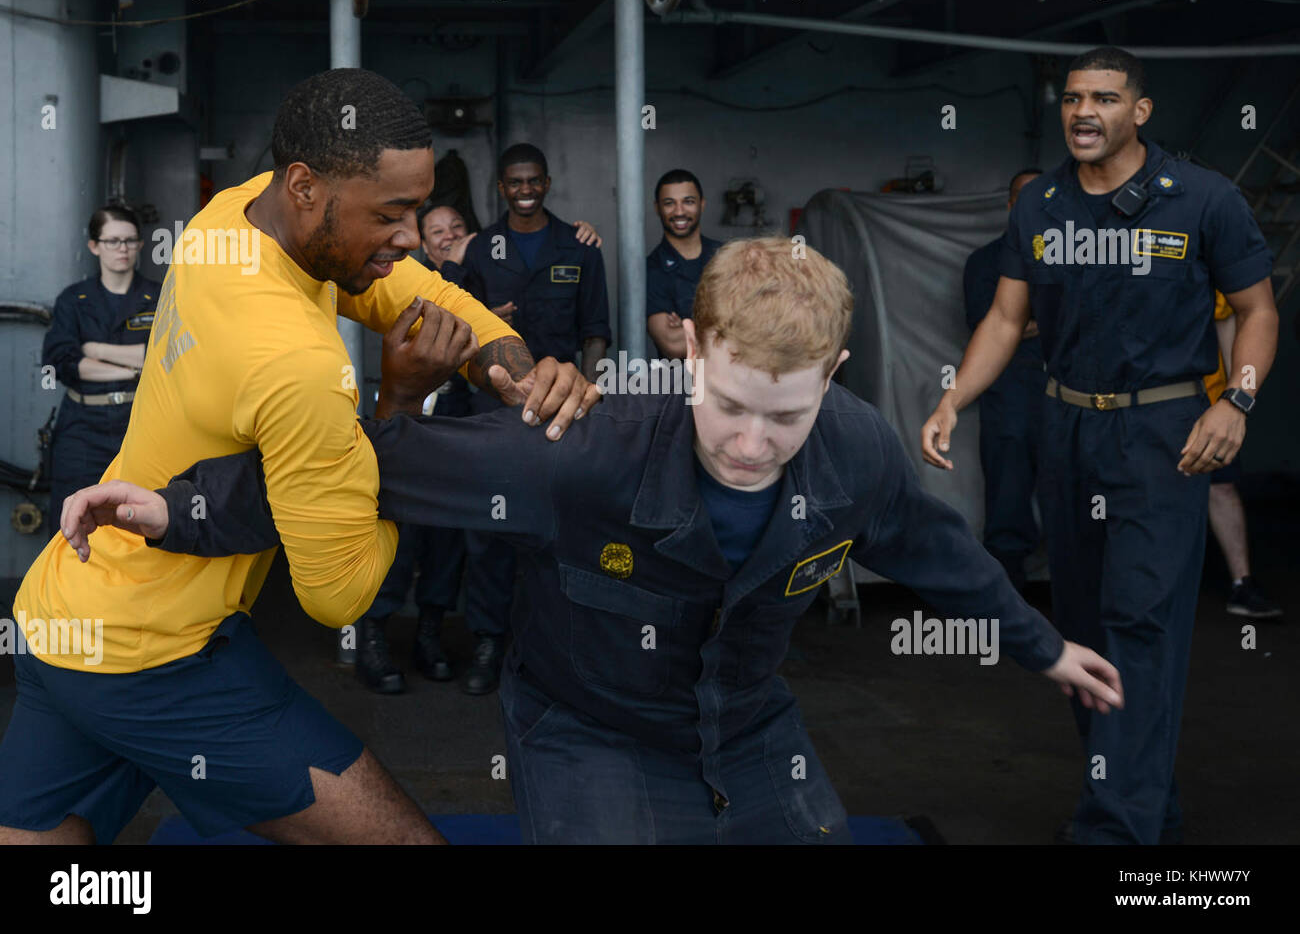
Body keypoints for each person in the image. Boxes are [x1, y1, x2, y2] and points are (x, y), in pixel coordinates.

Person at [71, 236, 1125, 846]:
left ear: (836, 371)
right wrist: (184, 509)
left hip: (749, 729)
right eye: (732, 406)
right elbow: (359, 467)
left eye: (787, 415)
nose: (755, 444)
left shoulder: (855, 450)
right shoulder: (579, 450)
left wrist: (1039, 645)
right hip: (590, 729)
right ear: (692, 348)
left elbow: (933, 548)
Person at [0, 68, 599, 846]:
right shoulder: (297, 363)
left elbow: (420, 295)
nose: (412, 236)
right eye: (391, 214)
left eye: (416, 209)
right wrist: (400, 404)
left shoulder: (232, 217)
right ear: (307, 187)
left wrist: (522, 377)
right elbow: (340, 595)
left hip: (61, 614)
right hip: (160, 656)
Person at [921, 47, 1278, 845]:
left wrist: (1239, 402)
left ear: (1139, 112)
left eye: (1106, 98)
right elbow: (1007, 320)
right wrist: (954, 397)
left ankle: (1115, 831)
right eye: (1074, 98)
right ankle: (1146, 805)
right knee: (1079, 635)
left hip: (1164, 436)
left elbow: (1257, 312)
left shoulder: (1203, 199)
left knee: (1140, 622)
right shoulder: (1041, 205)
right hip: (1068, 430)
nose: (1085, 111)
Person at [452, 143, 612, 696]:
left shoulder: (580, 247)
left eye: (534, 181)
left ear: (546, 182)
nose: (525, 189)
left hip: (561, 409)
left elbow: (595, 330)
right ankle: (489, 643)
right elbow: (457, 332)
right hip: (492, 410)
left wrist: (589, 393)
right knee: (488, 533)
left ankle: (556, 648)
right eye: (515, 182)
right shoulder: (481, 250)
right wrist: (482, 323)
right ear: (501, 188)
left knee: (560, 530)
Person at [354, 203, 474, 693]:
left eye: (458, 228)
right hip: (405, 425)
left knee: (446, 538)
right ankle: (374, 637)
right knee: (395, 533)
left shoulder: (478, 280)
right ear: (422, 242)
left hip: (458, 427)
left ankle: (429, 632)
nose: (447, 238)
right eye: (437, 231)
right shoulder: (399, 280)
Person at [42, 205, 158, 534]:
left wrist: (96, 351)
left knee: (137, 525)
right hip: (82, 430)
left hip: (140, 424)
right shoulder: (72, 300)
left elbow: (167, 358)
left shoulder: (161, 297)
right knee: (70, 525)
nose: (122, 248)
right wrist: (136, 366)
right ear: (94, 246)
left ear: (139, 245)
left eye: (129, 240)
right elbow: (59, 365)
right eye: (112, 241)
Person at [962, 168, 1045, 592]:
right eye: (1023, 198)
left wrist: (1025, 321)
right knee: (1008, 494)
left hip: (1067, 399)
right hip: (1009, 397)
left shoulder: (1078, 256)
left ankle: (1075, 589)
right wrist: (1047, 318)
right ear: (1010, 205)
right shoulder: (985, 262)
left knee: (1077, 496)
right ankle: (1008, 594)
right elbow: (989, 325)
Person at [1201, 291, 1282, 619]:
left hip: (1205, 402)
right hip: (1142, 410)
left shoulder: (1203, 263)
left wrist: (1235, 403)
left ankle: (1242, 584)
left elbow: (1230, 323)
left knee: (1221, 487)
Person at [646, 169, 721, 359]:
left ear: (702, 204)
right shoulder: (650, 270)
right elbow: (674, 344)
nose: (679, 212)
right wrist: (733, 320)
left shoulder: (726, 256)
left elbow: (760, 322)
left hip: (733, 379)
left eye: (688, 202)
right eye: (669, 203)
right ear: (657, 208)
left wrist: (690, 327)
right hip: (681, 383)